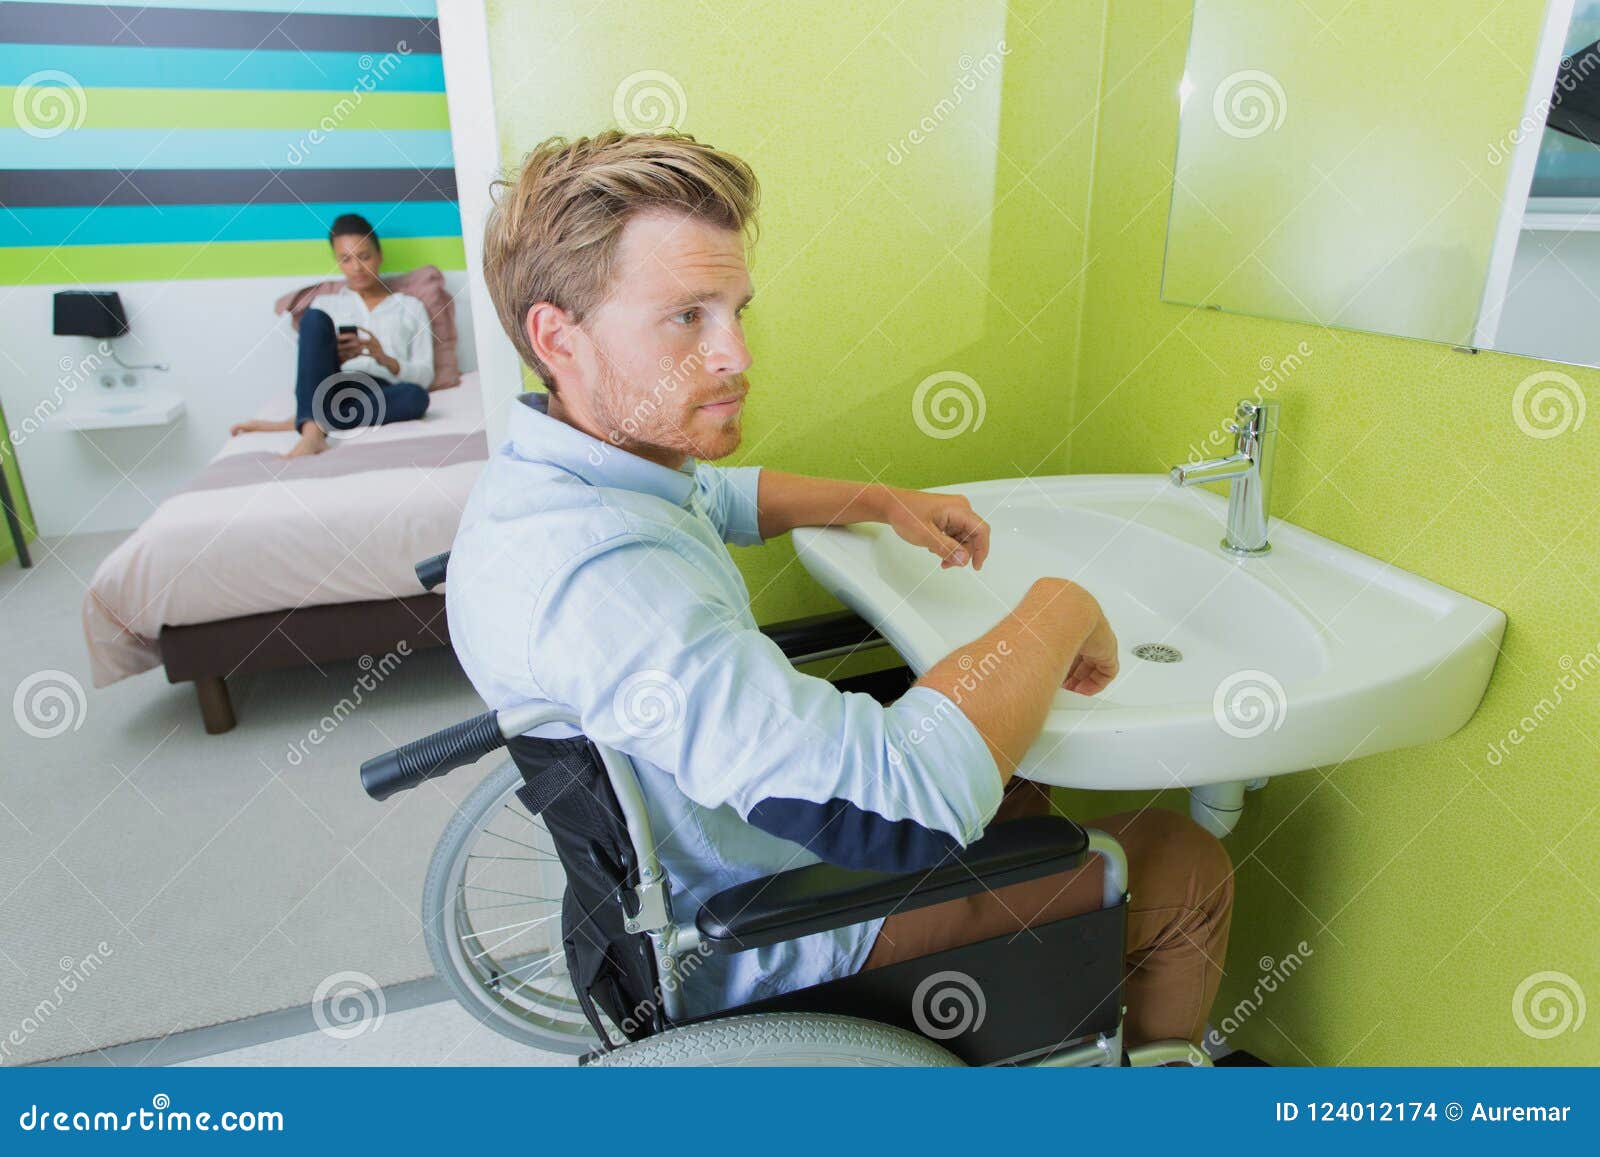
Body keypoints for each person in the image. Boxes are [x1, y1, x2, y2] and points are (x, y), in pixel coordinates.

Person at [446, 131, 1233, 1048]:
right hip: (774, 939)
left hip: (709, 869)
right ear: (558, 336)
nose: (736, 353)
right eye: (686, 317)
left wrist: (877, 500)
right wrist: (1060, 606)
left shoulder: (579, 469)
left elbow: (718, 495)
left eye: (737, 310)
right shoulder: (606, 580)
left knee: (1019, 778)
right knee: (1183, 863)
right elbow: (896, 809)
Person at [231, 214, 434, 457]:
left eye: (365, 256)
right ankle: (313, 433)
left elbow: (426, 376)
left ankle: (307, 421)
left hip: (382, 389)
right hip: (332, 384)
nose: (357, 268)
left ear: (380, 255)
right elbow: (311, 363)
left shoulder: (410, 306)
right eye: (346, 259)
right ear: (337, 262)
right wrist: (335, 356)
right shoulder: (326, 304)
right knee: (314, 318)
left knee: (416, 397)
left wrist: (385, 358)